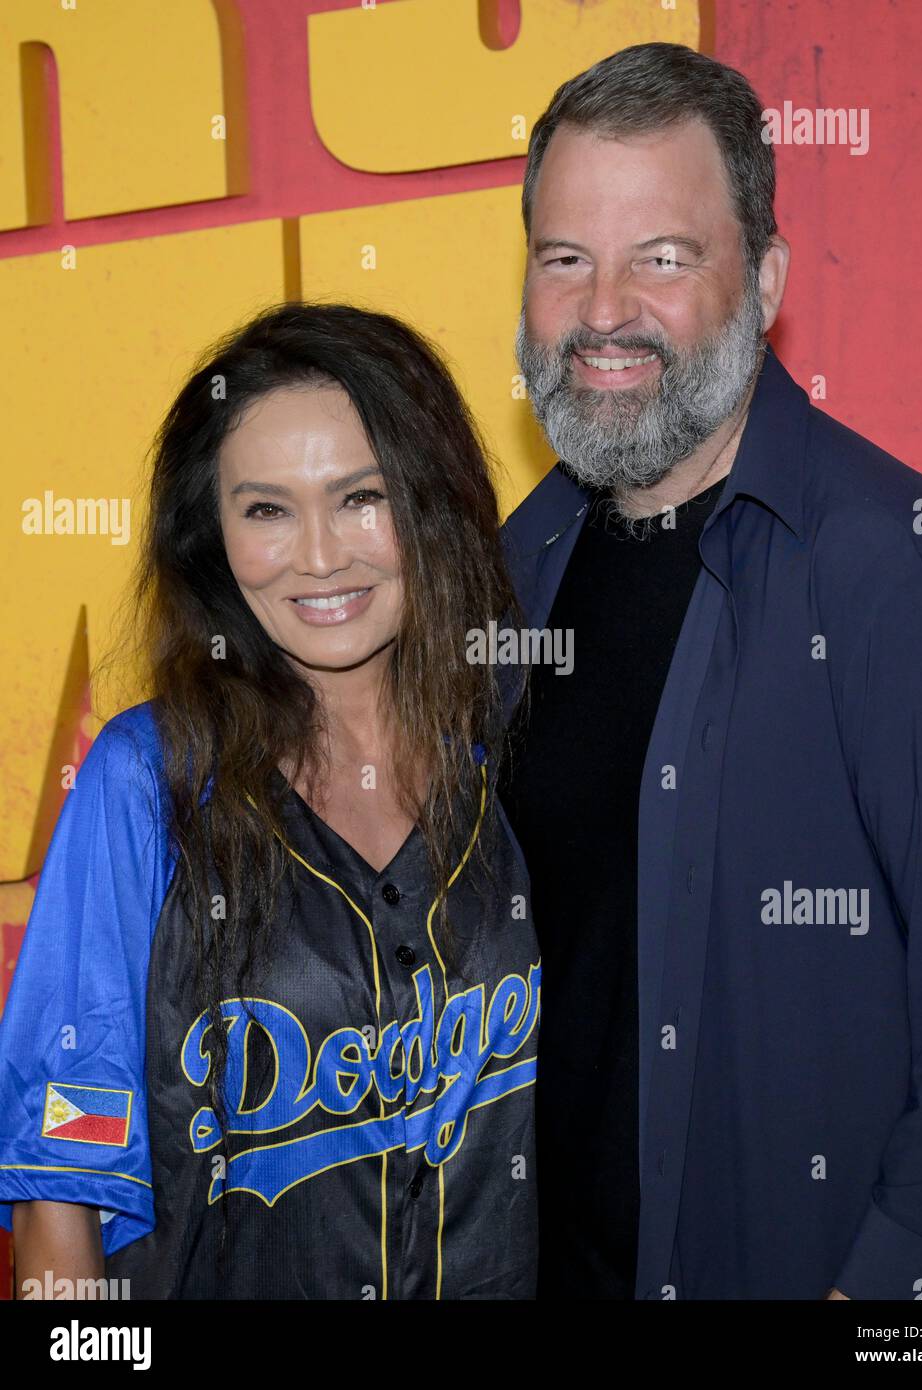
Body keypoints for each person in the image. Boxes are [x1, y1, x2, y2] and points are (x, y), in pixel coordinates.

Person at [498, 41, 922, 1300]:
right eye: (564, 258)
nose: (602, 313)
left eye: (662, 259)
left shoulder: (894, 567)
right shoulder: (512, 565)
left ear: (767, 277)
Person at [0, 302, 540, 1300]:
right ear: (212, 537)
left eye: (360, 497)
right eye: (266, 510)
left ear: (429, 506)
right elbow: (56, 1207)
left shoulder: (503, 758)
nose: (320, 555)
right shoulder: (144, 783)